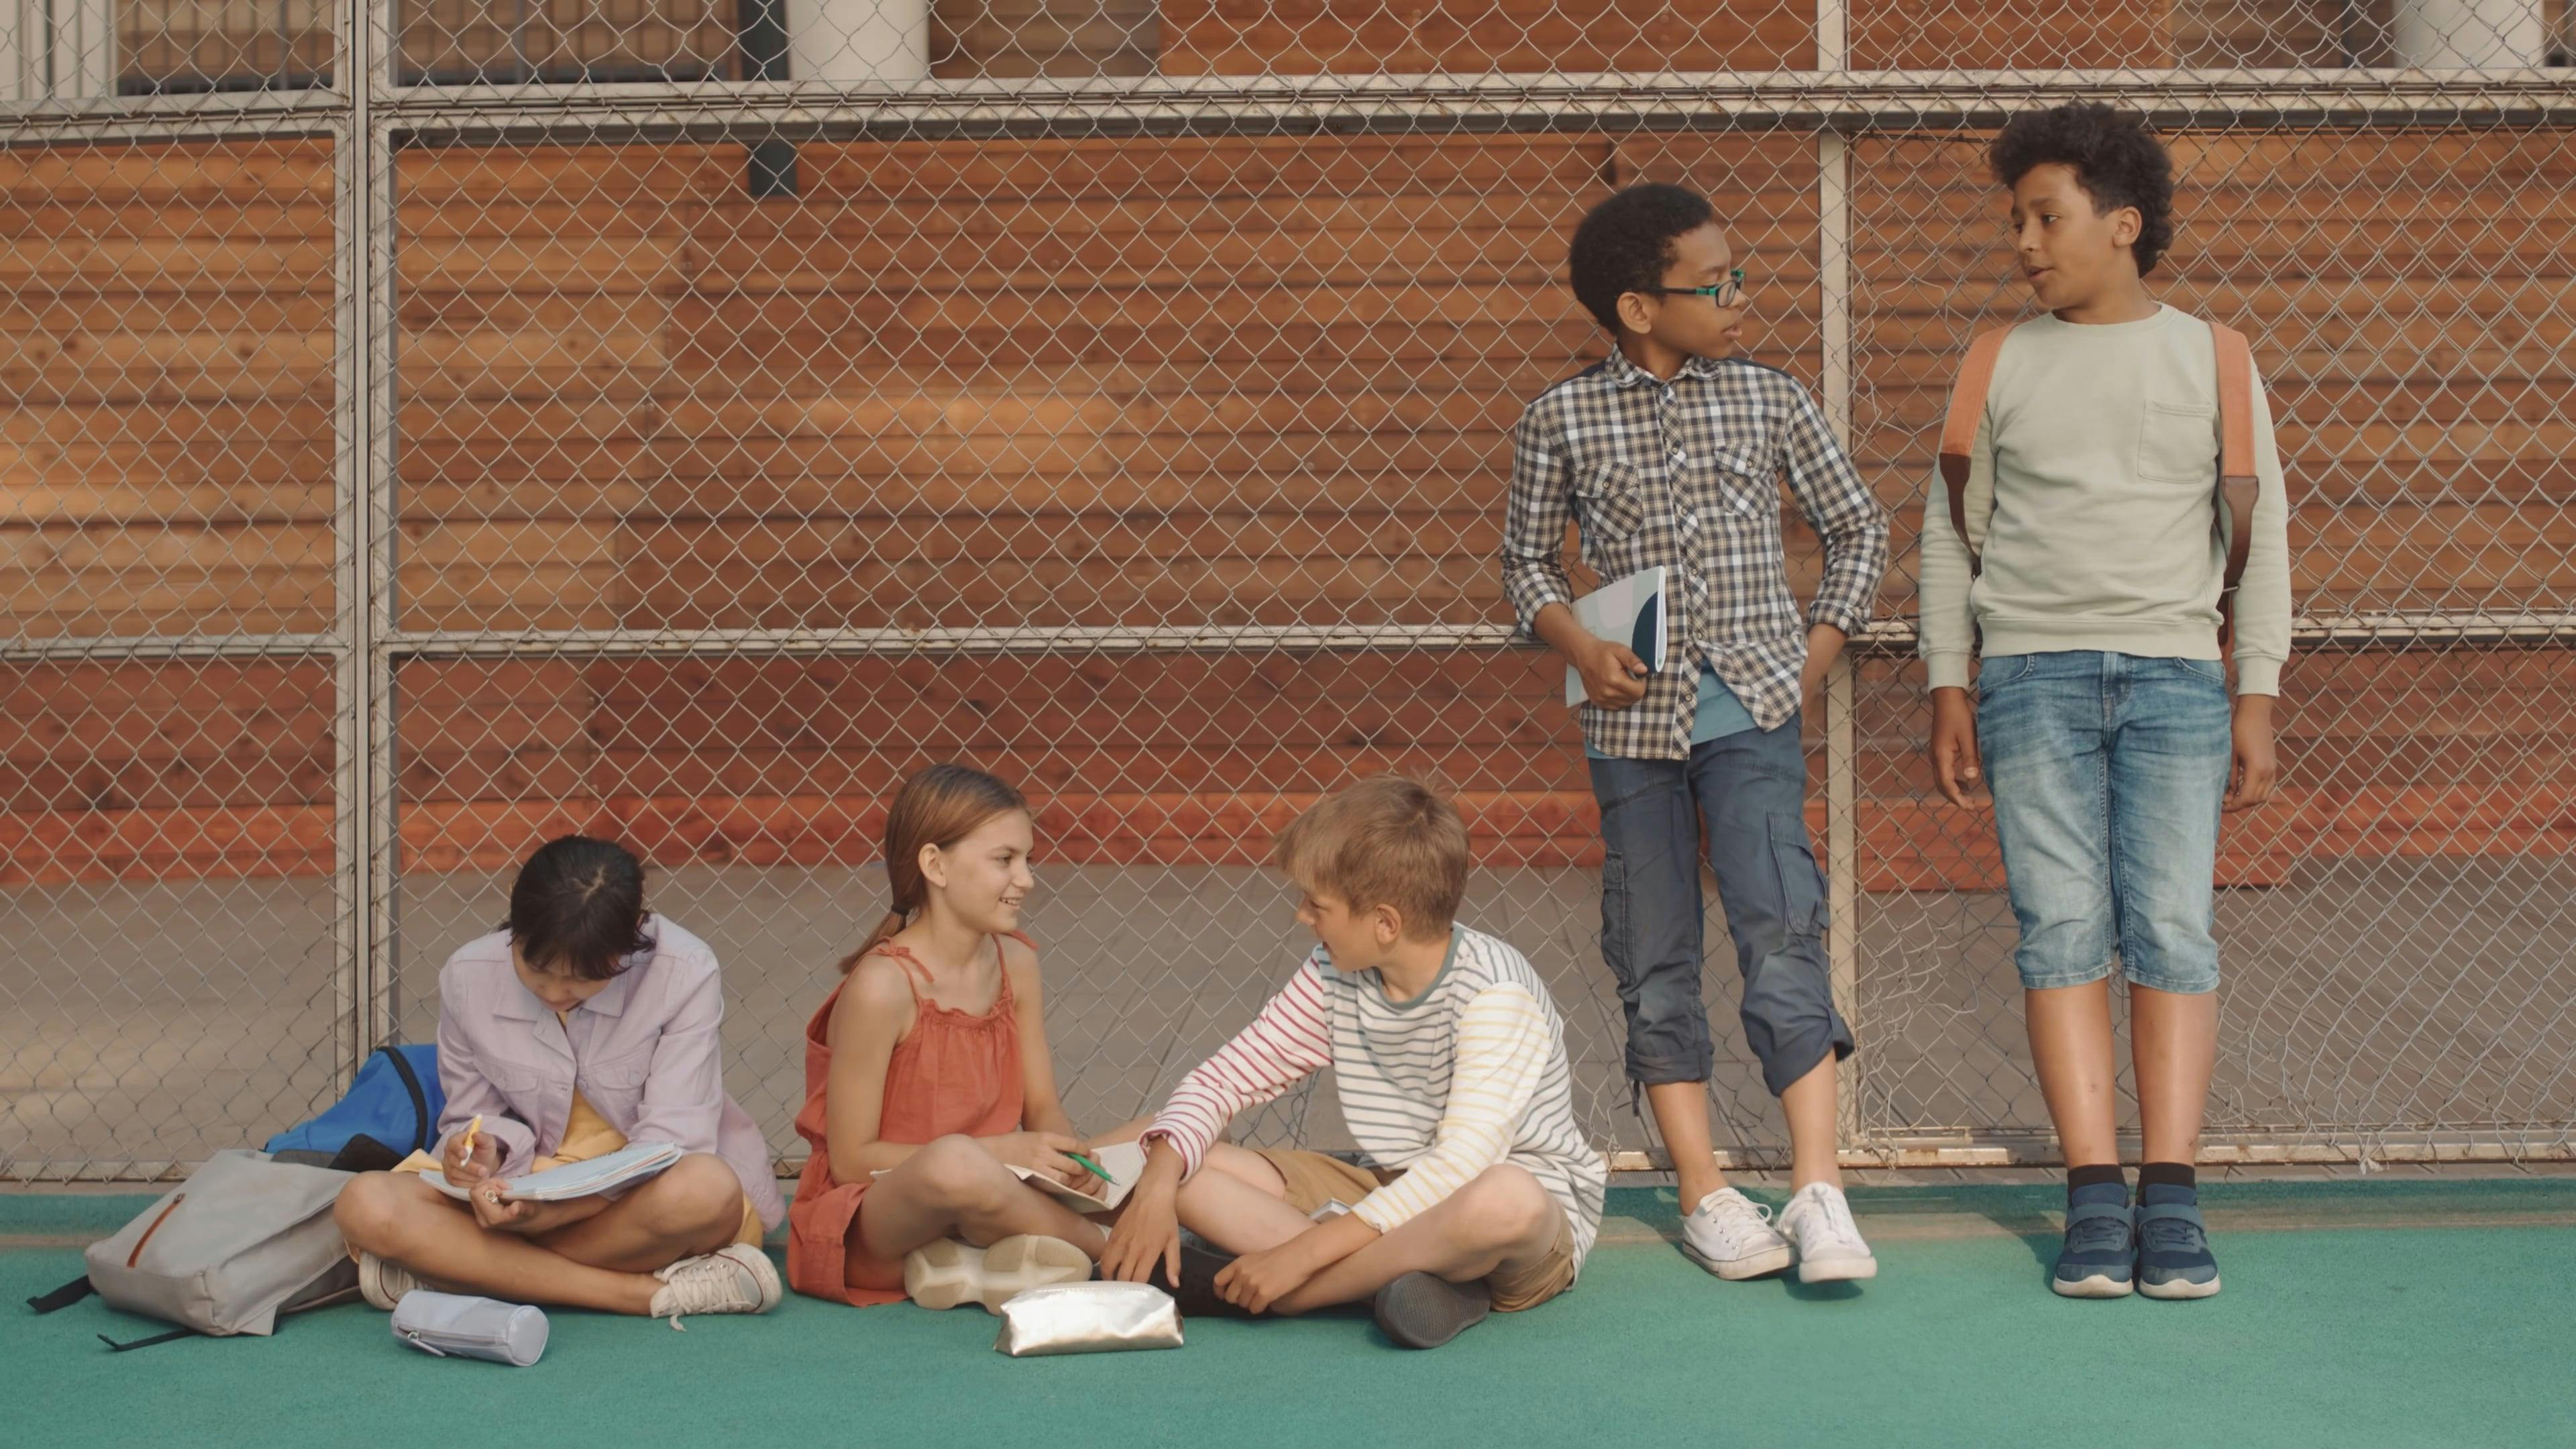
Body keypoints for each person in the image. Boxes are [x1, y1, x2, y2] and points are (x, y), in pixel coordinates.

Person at [1919, 102, 2290, 1299]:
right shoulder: (1998, 362)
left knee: (2173, 931)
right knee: (2063, 932)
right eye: (2015, 220)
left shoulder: (2218, 359)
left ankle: (2169, 1200)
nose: (2025, 241)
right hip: (2030, 681)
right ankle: (2093, 1197)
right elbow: (1946, 535)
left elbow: (2263, 534)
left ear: (2124, 225)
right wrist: (1949, 680)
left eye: (2048, 217)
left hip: (2180, 682)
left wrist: (2257, 693)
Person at [1498, 181, 1890, 1283]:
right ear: (1638, 307)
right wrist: (1579, 645)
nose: (1738, 298)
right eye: (1713, 285)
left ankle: (1820, 1189)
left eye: (1740, 275)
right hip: (1631, 734)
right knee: (1655, 948)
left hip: (1755, 714)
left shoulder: (1768, 399)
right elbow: (1524, 564)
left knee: (1782, 925)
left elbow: (1857, 525)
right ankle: (1706, 1193)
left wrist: (1812, 658)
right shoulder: (1560, 420)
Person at [1100, 777, 1608, 1350]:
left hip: (1512, 1230)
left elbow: (1461, 1168)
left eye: (1318, 905)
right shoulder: (1334, 970)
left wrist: (1299, 1260)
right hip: (1387, 1191)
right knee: (1162, 1152)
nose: (1302, 917)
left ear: (1385, 924)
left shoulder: (1496, 993)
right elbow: (1222, 1079)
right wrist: (1158, 1189)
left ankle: (1282, 1296)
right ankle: (1408, 1285)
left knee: (1504, 1198)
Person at [333, 835, 785, 1326]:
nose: (555, 992)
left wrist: (551, 1214)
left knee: (706, 1189)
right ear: (516, 927)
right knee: (365, 1203)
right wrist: (477, 1153)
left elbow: (675, 1141)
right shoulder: (468, 976)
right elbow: (470, 1117)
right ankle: (642, 1294)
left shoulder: (686, 970)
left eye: (585, 979)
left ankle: (462, 1270)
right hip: (517, 1193)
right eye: (536, 968)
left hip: (629, 1197)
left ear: (632, 936)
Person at [785, 763, 1131, 1311]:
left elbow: (1043, 1108)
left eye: (1027, 859)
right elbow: (853, 1161)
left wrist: (1072, 1167)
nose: (1027, 880)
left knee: (1170, 1130)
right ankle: (1115, 1256)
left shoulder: (1016, 960)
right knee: (956, 1164)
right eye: (1004, 860)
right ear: (934, 865)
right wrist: (1001, 1153)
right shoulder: (882, 986)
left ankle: (978, 1262)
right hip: (878, 1219)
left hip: (992, 1187)